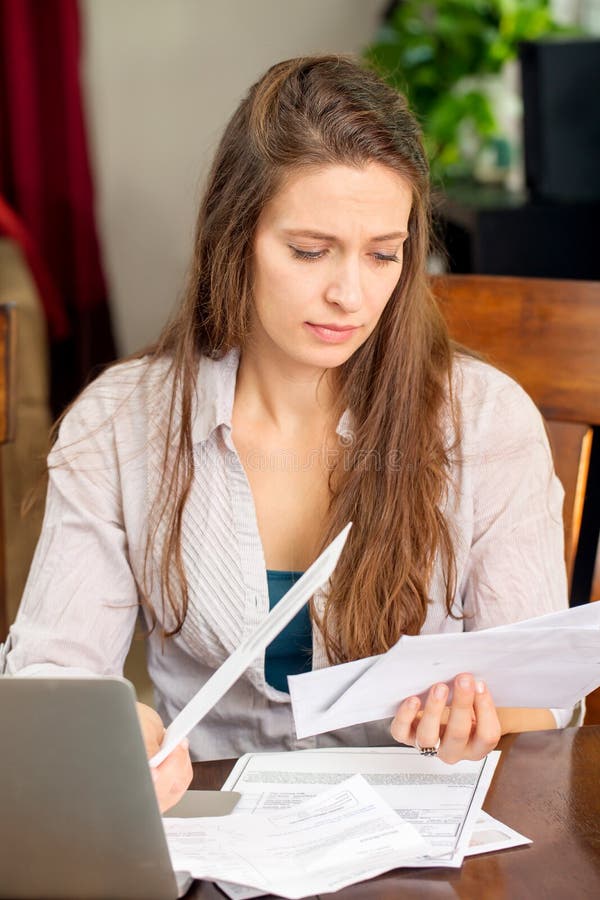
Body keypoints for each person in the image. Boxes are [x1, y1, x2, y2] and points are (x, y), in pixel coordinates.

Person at [1, 56, 574, 813]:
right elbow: (52, 676)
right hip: (204, 829)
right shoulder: (120, 423)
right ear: (235, 237)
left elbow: (545, 693)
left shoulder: (485, 420)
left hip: (412, 837)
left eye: (383, 254)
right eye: (310, 251)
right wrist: (111, 729)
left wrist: (481, 716)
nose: (350, 294)